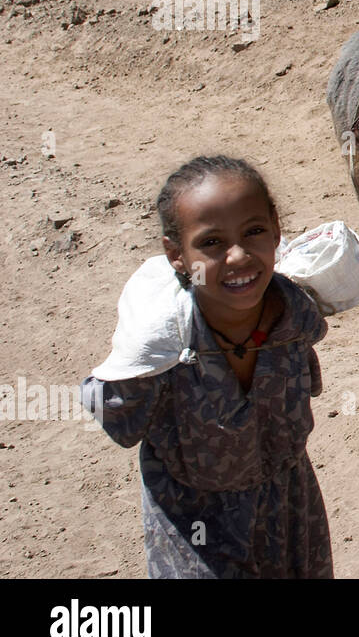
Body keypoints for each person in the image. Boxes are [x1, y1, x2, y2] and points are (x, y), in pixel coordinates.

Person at [82, 155, 334, 578]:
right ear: (176, 254)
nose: (237, 256)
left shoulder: (295, 318)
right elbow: (116, 417)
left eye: (253, 232)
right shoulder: (163, 347)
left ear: (275, 229)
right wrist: (139, 358)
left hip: (292, 514)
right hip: (194, 527)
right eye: (212, 243)